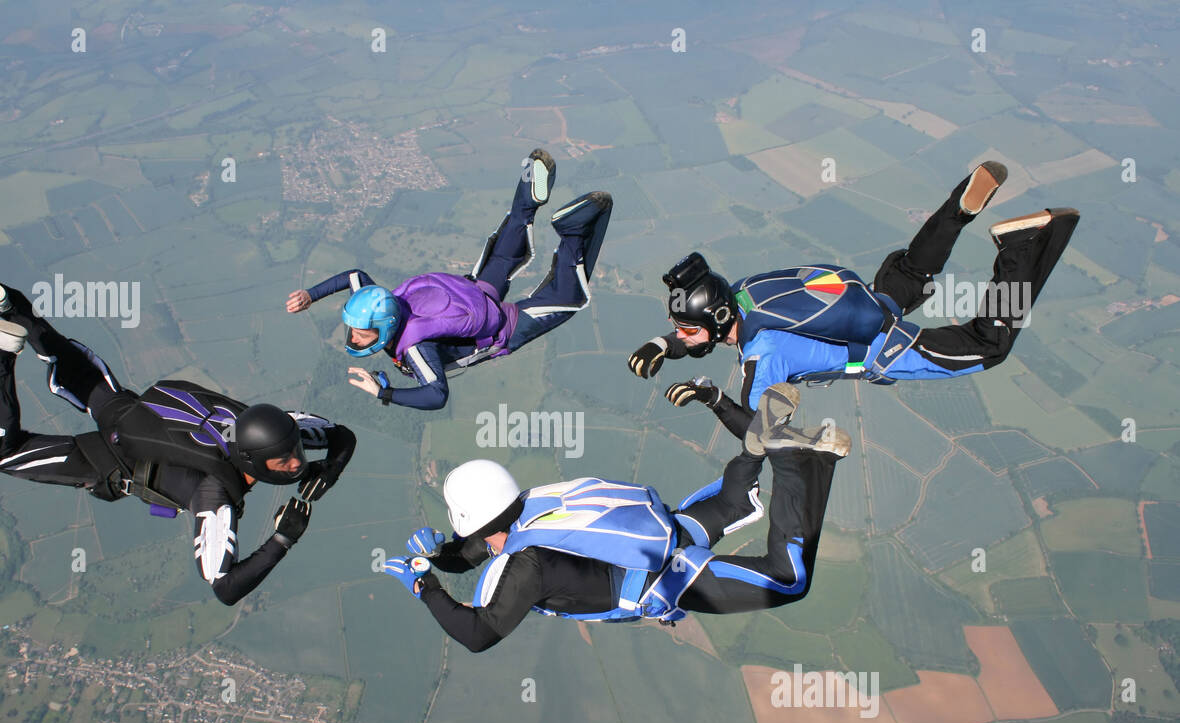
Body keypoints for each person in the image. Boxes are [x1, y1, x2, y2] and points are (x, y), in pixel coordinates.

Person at [0, 264, 356, 606]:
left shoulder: (270, 423)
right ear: (252, 462)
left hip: (130, 411)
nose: (297, 462)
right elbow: (225, 588)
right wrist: (283, 538)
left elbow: (341, 435)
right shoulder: (215, 498)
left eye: (295, 452)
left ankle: (6, 304)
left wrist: (330, 469)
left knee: (65, 358)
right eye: (284, 461)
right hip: (110, 461)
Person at [379, 385, 850, 652]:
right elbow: (471, 553)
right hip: (670, 529)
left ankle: (796, 460)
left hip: (671, 580)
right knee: (731, 502)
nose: (482, 545)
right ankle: (758, 444)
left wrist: (426, 590)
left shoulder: (526, 565)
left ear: (481, 523)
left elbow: (479, 633)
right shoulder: (529, 507)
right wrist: (438, 556)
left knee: (789, 579)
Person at [627, 162, 1080, 411]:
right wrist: (662, 344)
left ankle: (1020, 248)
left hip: (883, 348)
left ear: (718, 318)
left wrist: (712, 398)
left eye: (685, 329)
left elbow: (755, 433)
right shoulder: (744, 292)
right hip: (866, 298)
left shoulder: (761, 357)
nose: (681, 334)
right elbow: (705, 328)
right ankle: (959, 207)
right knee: (910, 274)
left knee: (990, 346)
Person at [286, 149, 612, 410]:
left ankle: (573, 232)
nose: (354, 338)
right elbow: (354, 277)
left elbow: (436, 395)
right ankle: (529, 189)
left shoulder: (416, 348)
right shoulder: (380, 302)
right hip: (472, 292)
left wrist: (384, 394)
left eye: (360, 334)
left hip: (504, 329)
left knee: (568, 299)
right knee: (502, 256)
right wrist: (310, 296)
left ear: (384, 328)